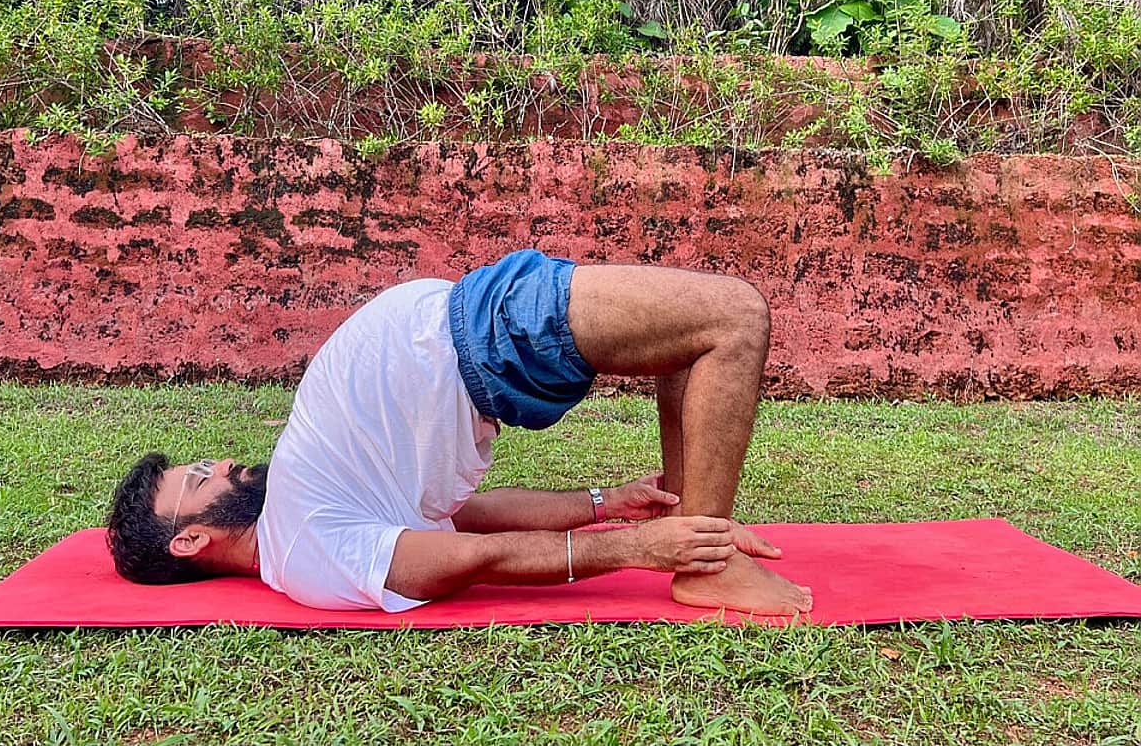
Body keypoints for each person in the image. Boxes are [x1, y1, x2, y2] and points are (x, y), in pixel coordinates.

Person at [107, 250, 813, 616]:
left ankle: (702, 533)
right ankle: (706, 566)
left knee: (685, 338)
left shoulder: (309, 506)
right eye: (202, 479)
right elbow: (463, 560)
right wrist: (633, 550)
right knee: (732, 317)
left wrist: (607, 503)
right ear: (190, 538)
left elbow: (461, 517)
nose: (226, 463)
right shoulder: (305, 555)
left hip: (473, 327)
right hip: (486, 335)